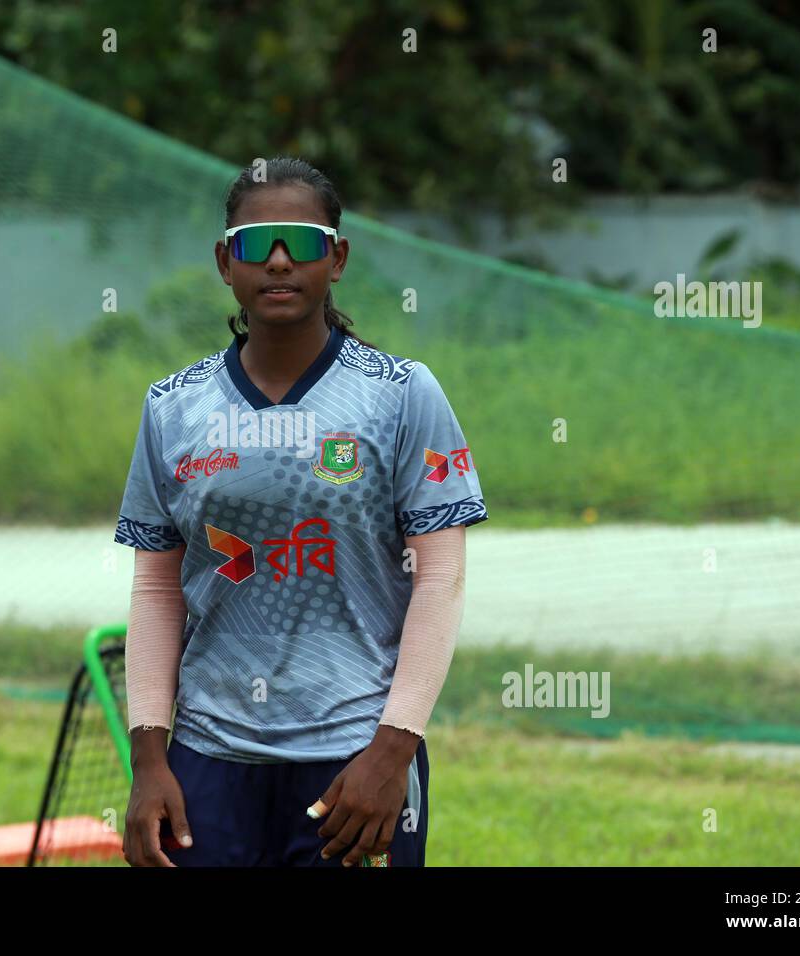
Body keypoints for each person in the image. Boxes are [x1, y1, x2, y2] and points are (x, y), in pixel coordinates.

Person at [116, 156, 487, 867]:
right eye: (257, 244)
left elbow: (440, 582)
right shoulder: (173, 406)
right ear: (226, 262)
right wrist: (149, 759)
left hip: (355, 759)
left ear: (337, 258)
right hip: (208, 762)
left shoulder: (403, 394)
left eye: (304, 242)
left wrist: (393, 749)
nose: (280, 262)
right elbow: (156, 588)